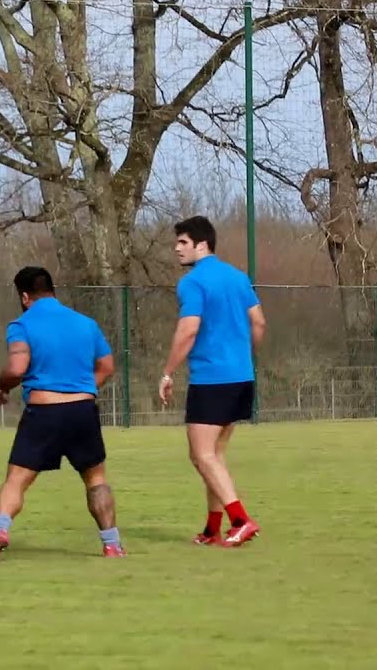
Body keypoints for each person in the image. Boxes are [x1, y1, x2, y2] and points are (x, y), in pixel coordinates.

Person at [0, 266, 125, 563]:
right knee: (96, 479)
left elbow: (16, 369)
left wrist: (2, 387)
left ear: (24, 297)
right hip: (82, 410)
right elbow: (106, 366)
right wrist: (83, 389)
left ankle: (0, 530)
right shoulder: (86, 323)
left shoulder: (22, 324)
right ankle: (112, 544)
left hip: (44, 412)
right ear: (52, 290)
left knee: (17, 479)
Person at [158, 215, 266, 548]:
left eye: (182, 242)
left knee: (201, 456)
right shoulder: (237, 277)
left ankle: (241, 520)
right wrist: (242, 357)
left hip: (211, 380)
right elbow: (259, 324)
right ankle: (211, 530)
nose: (176, 249)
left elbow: (188, 329)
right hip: (241, 377)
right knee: (214, 456)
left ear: (201, 244)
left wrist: (168, 371)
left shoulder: (192, 282)